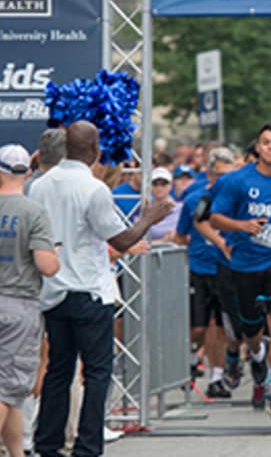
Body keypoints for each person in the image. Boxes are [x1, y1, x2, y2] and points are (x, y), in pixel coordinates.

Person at [30, 122, 172, 457]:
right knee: (96, 373)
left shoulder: (39, 186)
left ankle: (47, 444)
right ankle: (87, 446)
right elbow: (120, 239)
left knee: (58, 371)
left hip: (53, 289)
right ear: (96, 150)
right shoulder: (93, 189)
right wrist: (148, 218)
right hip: (89, 291)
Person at [209, 124, 271, 421]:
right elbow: (214, 217)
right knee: (251, 332)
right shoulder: (237, 181)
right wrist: (242, 226)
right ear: (258, 147)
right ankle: (257, 355)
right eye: (265, 142)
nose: (270, 147)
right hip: (244, 264)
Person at [0, 144, 59, 457]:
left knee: (8, 392)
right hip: (17, 304)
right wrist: (57, 256)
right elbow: (46, 265)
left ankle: (17, 453)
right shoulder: (33, 212)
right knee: (9, 390)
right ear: (27, 172)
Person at [174, 147, 238, 399]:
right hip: (200, 269)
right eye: (220, 174)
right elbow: (180, 235)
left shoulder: (237, 200)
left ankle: (217, 377)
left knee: (221, 327)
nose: (224, 180)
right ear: (210, 175)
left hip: (226, 269)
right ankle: (191, 360)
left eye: (229, 175)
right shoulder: (195, 200)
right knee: (199, 327)